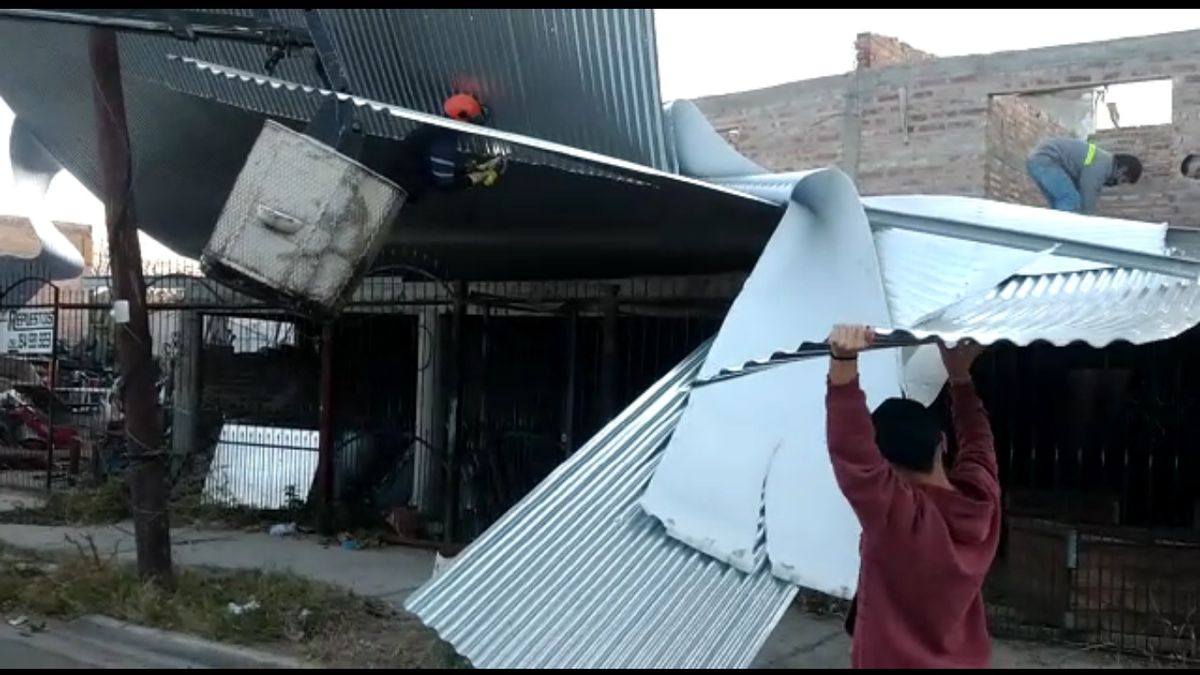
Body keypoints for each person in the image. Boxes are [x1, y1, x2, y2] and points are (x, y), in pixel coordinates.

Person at [825, 324, 1000, 669]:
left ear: (886, 464)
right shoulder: (981, 502)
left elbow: (854, 455)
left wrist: (843, 361)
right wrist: (960, 378)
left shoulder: (899, 519)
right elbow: (979, 444)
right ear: (942, 443)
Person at [388, 93, 502, 200]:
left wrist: (466, 170)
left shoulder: (436, 127)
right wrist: (478, 176)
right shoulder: (445, 143)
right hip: (402, 190)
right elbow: (444, 184)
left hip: (396, 175)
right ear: (464, 123)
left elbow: (435, 167)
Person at [1025, 138, 1141, 214]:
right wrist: (1086, 228)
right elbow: (1087, 196)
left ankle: (1054, 237)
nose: (1119, 183)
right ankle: (1061, 238)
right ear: (1122, 170)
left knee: (1061, 207)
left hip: (1039, 160)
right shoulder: (1103, 165)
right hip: (1046, 159)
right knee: (1071, 199)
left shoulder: (1102, 164)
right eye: (1124, 180)